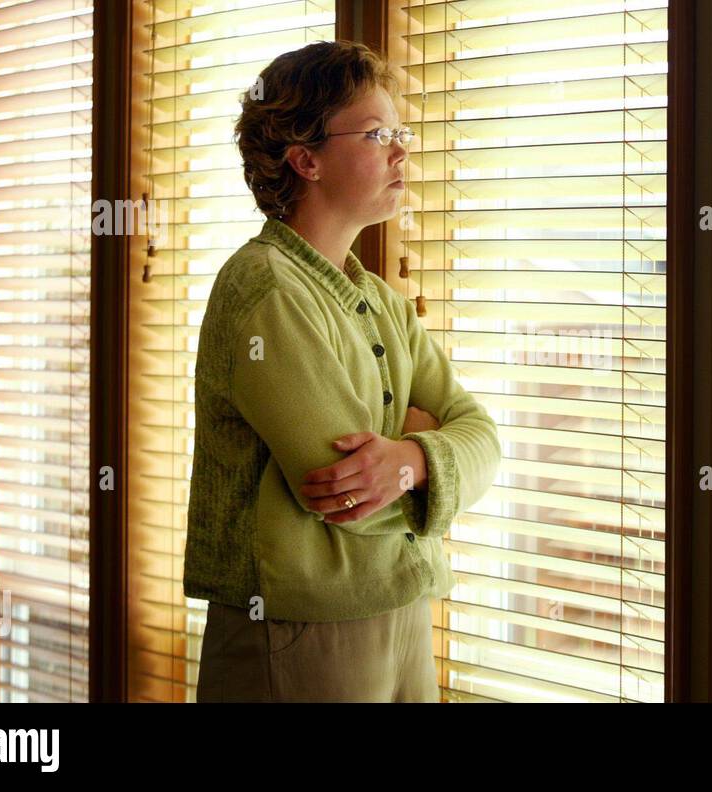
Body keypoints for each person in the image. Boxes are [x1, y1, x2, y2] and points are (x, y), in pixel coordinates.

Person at [182, 40, 501, 702]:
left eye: (400, 133)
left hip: (403, 610)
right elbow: (342, 491)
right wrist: (432, 444)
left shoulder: (383, 301)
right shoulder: (265, 288)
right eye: (377, 134)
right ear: (307, 160)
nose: (401, 151)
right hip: (298, 630)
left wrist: (411, 456)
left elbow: (485, 440)